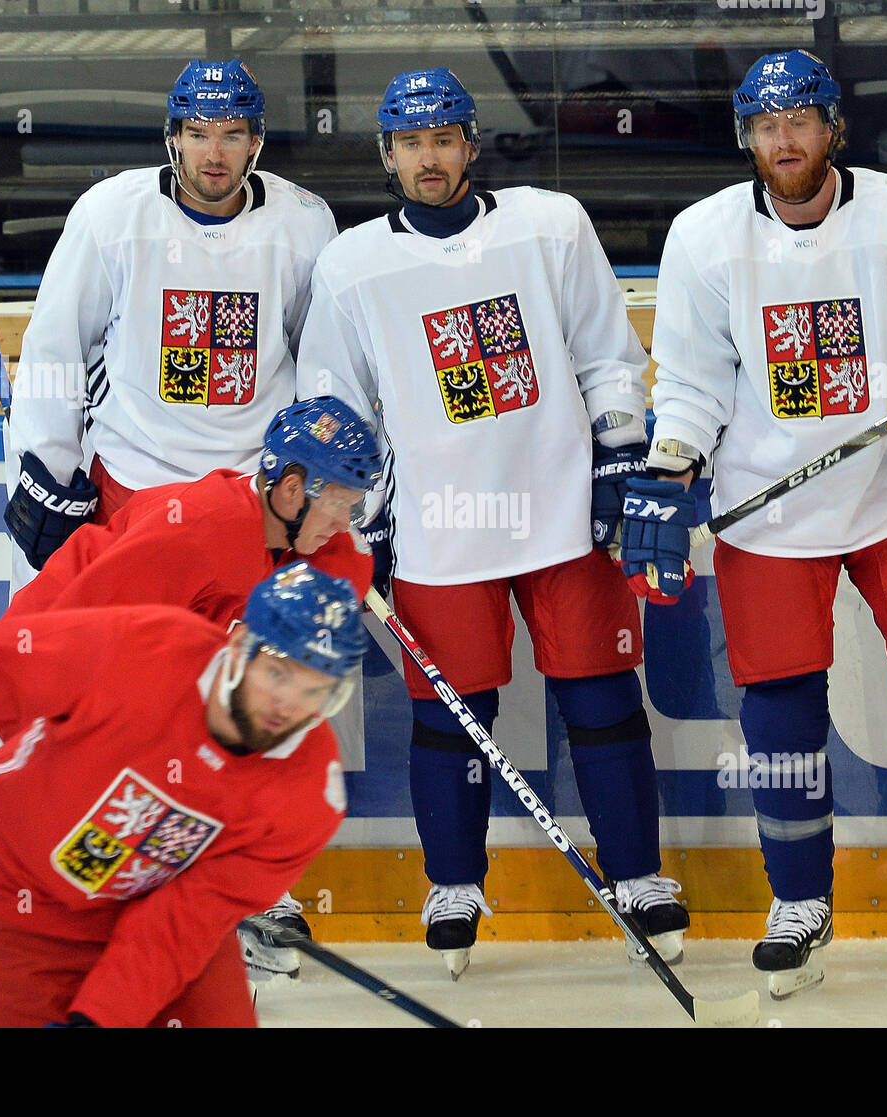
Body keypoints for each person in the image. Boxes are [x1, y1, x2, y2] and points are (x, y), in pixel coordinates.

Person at [620, 49, 887, 997]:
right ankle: (802, 901)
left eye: (801, 122)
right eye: (768, 127)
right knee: (781, 712)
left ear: (832, 128)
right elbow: (690, 383)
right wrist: (667, 469)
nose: (785, 142)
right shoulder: (702, 236)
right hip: (768, 505)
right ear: (748, 137)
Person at [295, 67, 689, 978]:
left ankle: (637, 876)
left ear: (472, 145)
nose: (428, 160)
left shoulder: (552, 225)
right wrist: (359, 519)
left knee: (602, 703)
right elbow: (334, 406)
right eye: (409, 145)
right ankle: (455, 882)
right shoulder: (353, 264)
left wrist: (619, 460)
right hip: (439, 527)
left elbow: (608, 356)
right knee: (452, 718)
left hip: (561, 513)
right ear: (387, 156)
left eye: (443, 141)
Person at [0, 397, 380, 986]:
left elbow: (317, 607)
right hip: (52, 674)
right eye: (341, 503)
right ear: (292, 492)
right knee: (67, 865)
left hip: (144, 700)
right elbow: (77, 630)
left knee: (117, 856)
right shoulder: (196, 530)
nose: (345, 521)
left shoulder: (308, 549)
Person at [0, 563, 366, 1027]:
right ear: (238, 647)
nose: (288, 707)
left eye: (315, 690)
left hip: (155, 927)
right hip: (15, 909)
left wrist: (99, 1018)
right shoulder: (138, 649)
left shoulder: (310, 795)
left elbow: (180, 926)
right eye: (277, 673)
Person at [4, 58, 338, 591]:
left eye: (231, 135)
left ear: (256, 141)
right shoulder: (110, 214)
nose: (213, 154)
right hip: (134, 487)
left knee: (234, 670)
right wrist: (46, 468)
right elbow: (55, 347)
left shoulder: (305, 221)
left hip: (254, 495)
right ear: (173, 138)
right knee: (133, 664)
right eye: (198, 134)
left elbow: (320, 362)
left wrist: (319, 480)